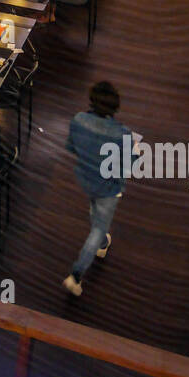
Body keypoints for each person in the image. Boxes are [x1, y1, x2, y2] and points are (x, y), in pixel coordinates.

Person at [63, 80, 132, 298]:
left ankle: (102, 243)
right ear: (115, 107)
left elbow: (71, 147)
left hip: (85, 178)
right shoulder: (123, 134)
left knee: (97, 214)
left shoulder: (78, 120)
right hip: (108, 186)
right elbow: (128, 165)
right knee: (98, 228)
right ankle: (76, 275)